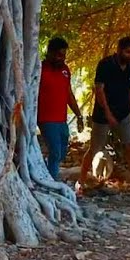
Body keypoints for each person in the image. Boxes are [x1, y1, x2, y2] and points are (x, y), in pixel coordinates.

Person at [79, 36, 130, 192]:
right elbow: (99, 90)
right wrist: (107, 113)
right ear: (119, 50)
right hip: (103, 113)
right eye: (128, 52)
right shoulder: (105, 65)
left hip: (124, 112)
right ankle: (80, 180)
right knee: (95, 148)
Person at [36, 37, 84, 180]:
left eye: (63, 55)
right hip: (45, 118)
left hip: (61, 119)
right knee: (55, 152)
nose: (61, 58)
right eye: (58, 55)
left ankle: (44, 169)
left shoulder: (65, 70)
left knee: (62, 152)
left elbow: (69, 94)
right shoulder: (39, 69)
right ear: (49, 52)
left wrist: (79, 115)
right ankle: (52, 181)